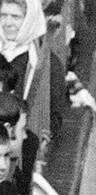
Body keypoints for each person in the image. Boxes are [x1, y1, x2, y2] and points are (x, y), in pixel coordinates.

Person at [0, 0, 66, 138]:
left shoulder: (47, 64)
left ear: (30, 19)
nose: (7, 23)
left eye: (15, 17)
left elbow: (53, 116)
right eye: (3, 15)